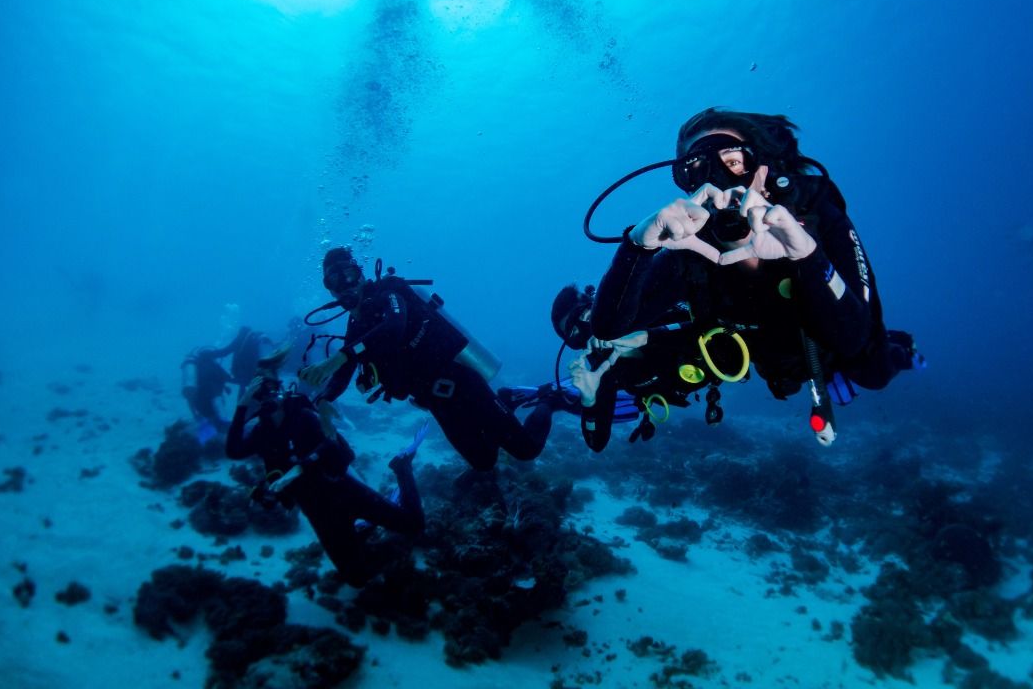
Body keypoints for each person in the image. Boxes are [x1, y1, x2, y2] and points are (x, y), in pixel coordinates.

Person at [590, 108, 923, 445]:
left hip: (833, 339)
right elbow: (609, 328)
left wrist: (807, 256)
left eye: (733, 162)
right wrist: (637, 247)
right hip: (770, 358)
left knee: (873, 372)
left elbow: (854, 338)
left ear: (762, 169)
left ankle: (903, 347)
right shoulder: (690, 248)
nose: (717, 180)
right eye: (697, 169)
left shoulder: (814, 214)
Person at [298, 247, 564, 471]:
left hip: (461, 383)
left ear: (360, 274)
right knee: (484, 462)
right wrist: (323, 400)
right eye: (334, 280)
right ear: (329, 290)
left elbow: (394, 327)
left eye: (349, 274)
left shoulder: (388, 292)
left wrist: (338, 357)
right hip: (434, 401)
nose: (345, 284)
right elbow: (343, 374)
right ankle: (506, 399)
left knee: (526, 450)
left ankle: (550, 400)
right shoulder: (355, 327)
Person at [226, 348, 424, 587]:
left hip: (344, 491)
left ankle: (402, 468)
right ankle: (360, 531)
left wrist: (304, 465)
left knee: (413, 525)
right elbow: (234, 450)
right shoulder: (262, 433)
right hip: (317, 510)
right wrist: (240, 407)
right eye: (259, 392)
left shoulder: (302, 415)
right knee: (356, 579)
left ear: (279, 387)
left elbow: (337, 448)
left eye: (269, 387)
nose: (266, 396)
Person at [503, 283, 746, 452]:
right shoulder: (603, 369)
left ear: (598, 306)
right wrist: (589, 399)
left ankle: (557, 395)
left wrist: (647, 336)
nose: (588, 331)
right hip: (652, 395)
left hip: (719, 361)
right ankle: (558, 397)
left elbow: (717, 325)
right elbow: (596, 442)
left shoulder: (645, 309)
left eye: (585, 316)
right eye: (575, 334)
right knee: (596, 398)